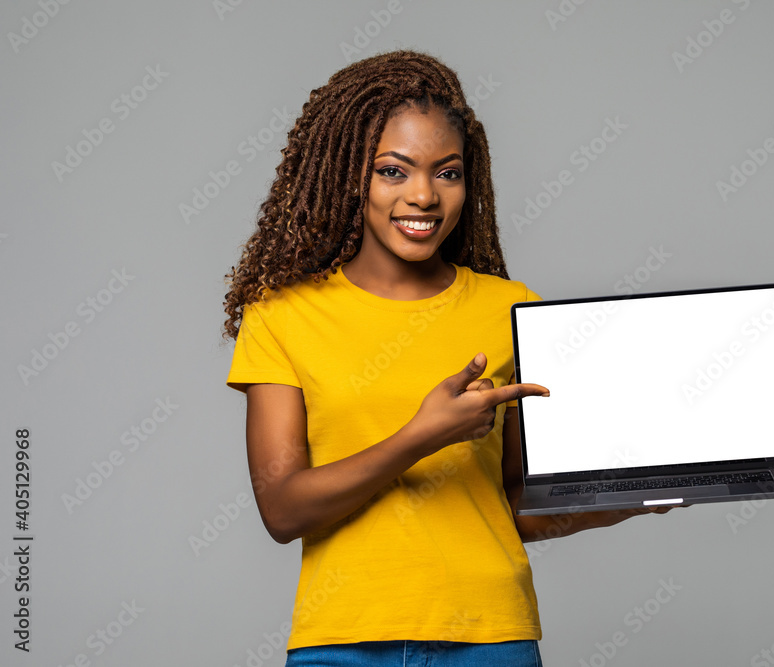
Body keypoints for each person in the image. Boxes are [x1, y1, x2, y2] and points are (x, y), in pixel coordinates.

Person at [222, 49, 678, 667]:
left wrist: (617, 501)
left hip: (492, 640)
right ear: (347, 174)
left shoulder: (511, 309)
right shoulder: (282, 314)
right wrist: (421, 436)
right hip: (343, 642)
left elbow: (515, 504)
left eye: (447, 173)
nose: (423, 196)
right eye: (393, 171)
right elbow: (283, 508)